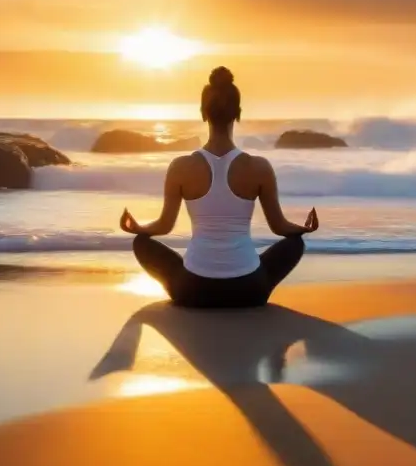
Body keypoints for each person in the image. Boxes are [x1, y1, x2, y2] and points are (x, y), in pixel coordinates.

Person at [120, 66, 318, 309]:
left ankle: (182, 288)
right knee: (295, 243)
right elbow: (280, 227)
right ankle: (253, 283)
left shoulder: (181, 167)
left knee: (141, 243)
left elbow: (164, 226)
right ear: (238, 114)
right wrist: (303, 229)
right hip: (249, 290)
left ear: (203, 113)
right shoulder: (259, 167)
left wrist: (139, 228)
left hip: (193, 290)